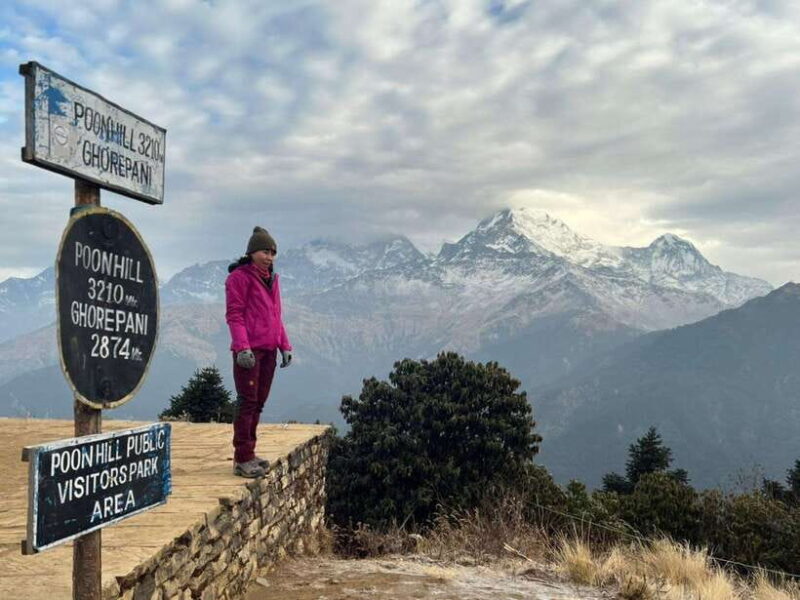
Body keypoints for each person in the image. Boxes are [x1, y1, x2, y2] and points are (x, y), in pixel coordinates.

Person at [225, 226, 293, 478]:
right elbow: (234, 315)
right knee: (247, 402)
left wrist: (284, 345)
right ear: (252, 252)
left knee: (259, 404)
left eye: (273, 252)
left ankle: (250, 454)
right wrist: (242, 347)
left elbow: (276, 316)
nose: (269, 257)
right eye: (265, 251)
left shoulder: (272, 279)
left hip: (269, 352)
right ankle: (242, 458)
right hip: (249, 352)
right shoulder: (239, 278)